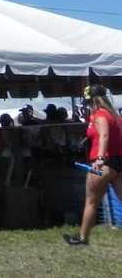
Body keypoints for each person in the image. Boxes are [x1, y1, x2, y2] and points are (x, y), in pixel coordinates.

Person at [63, 85, 122, 246]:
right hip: (118, 162)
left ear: (91, 101)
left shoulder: (99, 115)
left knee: (91, 202)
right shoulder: (115, 116)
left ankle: (82, 238)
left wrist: (100, 158)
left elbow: (104, 135)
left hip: (103, 163)